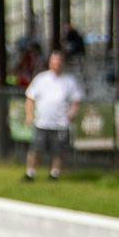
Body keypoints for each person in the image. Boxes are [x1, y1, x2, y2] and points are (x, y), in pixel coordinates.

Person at [23, 49, 83, 182]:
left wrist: (71, 115)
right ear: (50, 63)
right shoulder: (41, 79)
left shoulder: (69, 81)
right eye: (54, 61)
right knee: (36, 149)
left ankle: (54, 173)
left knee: (58, 151)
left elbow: (76, 101)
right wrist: (29, 115)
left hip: (60, 123)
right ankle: (30, 172)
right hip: (42, 122)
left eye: (59, 62)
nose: (56, 64)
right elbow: (30, 98)